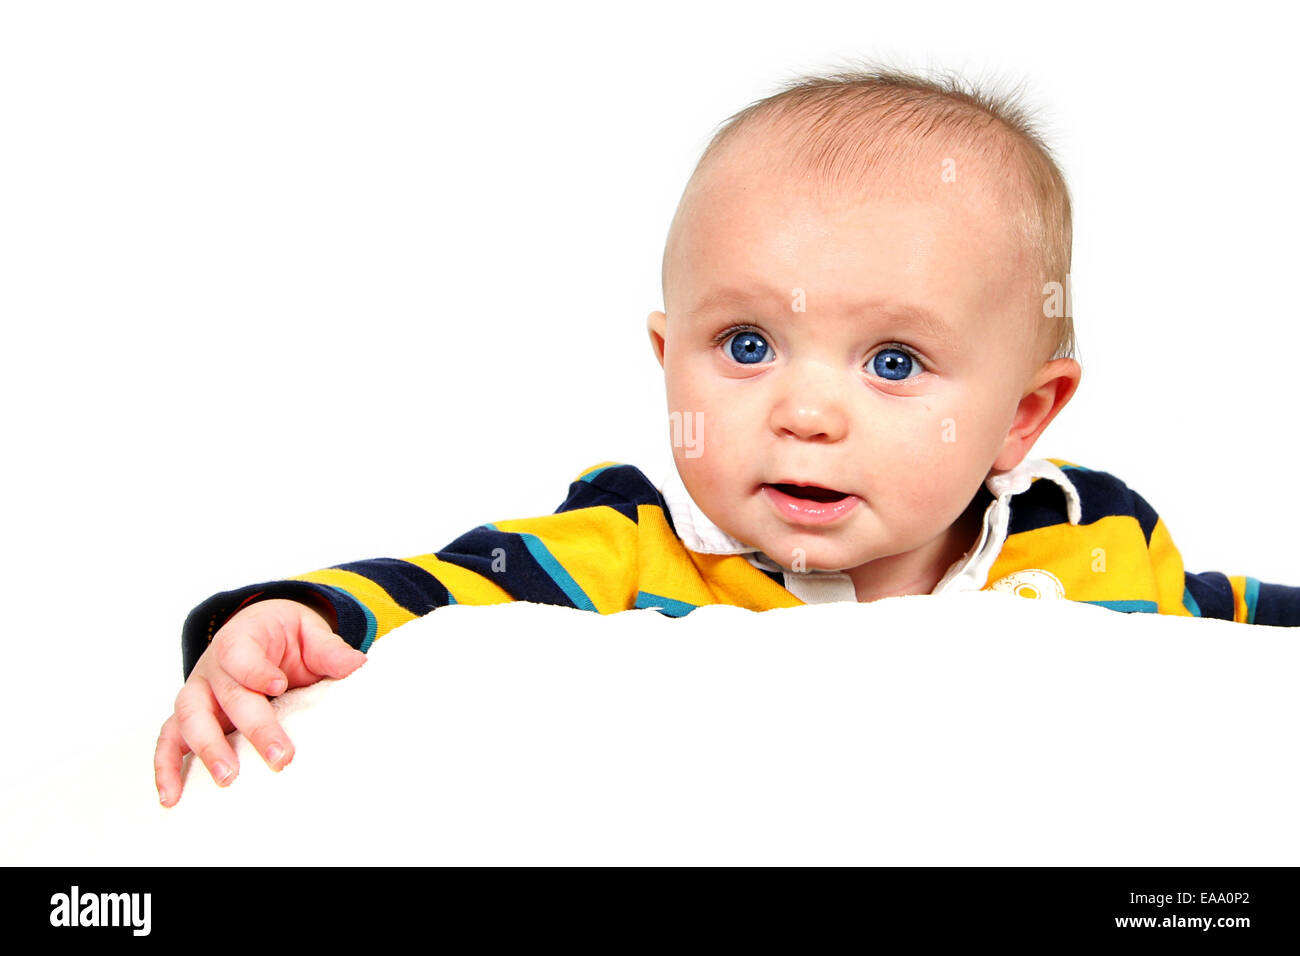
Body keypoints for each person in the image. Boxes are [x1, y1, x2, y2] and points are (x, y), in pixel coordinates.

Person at [154, 65, 1300, 807]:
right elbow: (441, 586)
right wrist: (293, 615)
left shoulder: (1091, 538)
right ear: (668, 360)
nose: (803, 411)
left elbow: (1227, 632)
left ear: (1020, 417)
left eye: (892, 363)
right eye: (745, 345)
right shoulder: (632, 540)